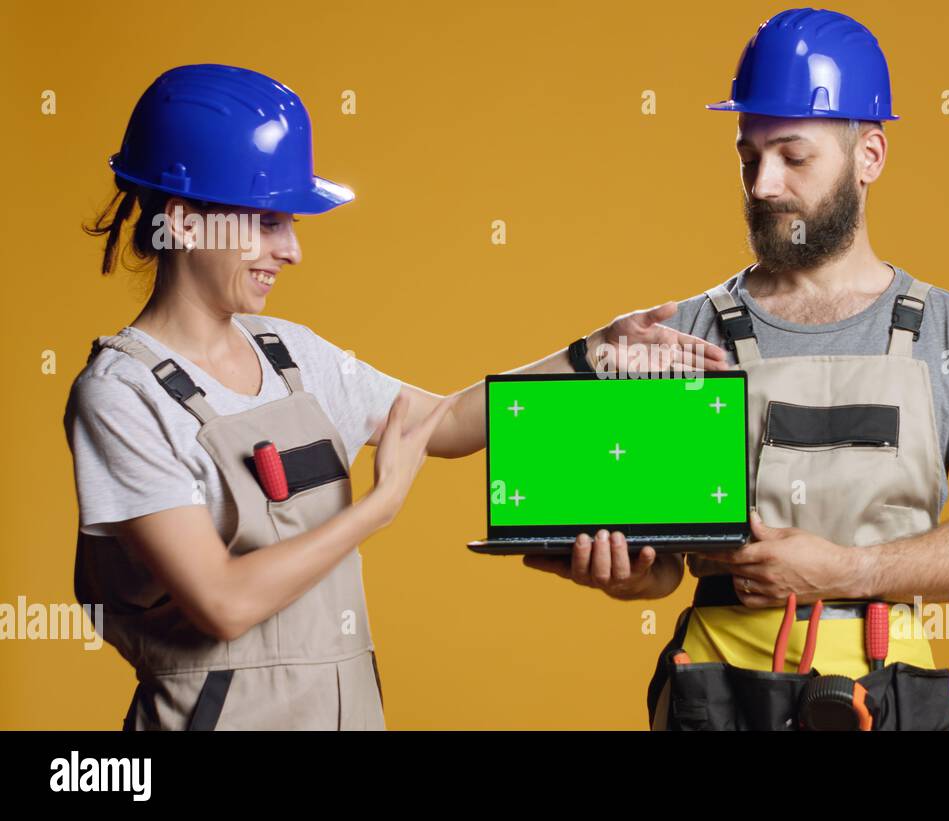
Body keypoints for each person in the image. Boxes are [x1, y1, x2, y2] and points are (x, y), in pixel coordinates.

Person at [67, 63, 726, 730]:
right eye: (266, 221)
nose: (291, 249)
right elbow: (223, 601)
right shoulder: (121, 397)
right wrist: (377, 507)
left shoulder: (288, 352)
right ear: (182, 219)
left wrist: (590, 354)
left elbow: (444, 421)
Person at [520, 9, 949, 730]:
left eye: (792, 156)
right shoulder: (689, 333)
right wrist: (625, 571)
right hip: (716, 696)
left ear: (870, 155)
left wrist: (849, 572)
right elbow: (665, 566)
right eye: (748, 157)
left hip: (885, 696)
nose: (763, 183)